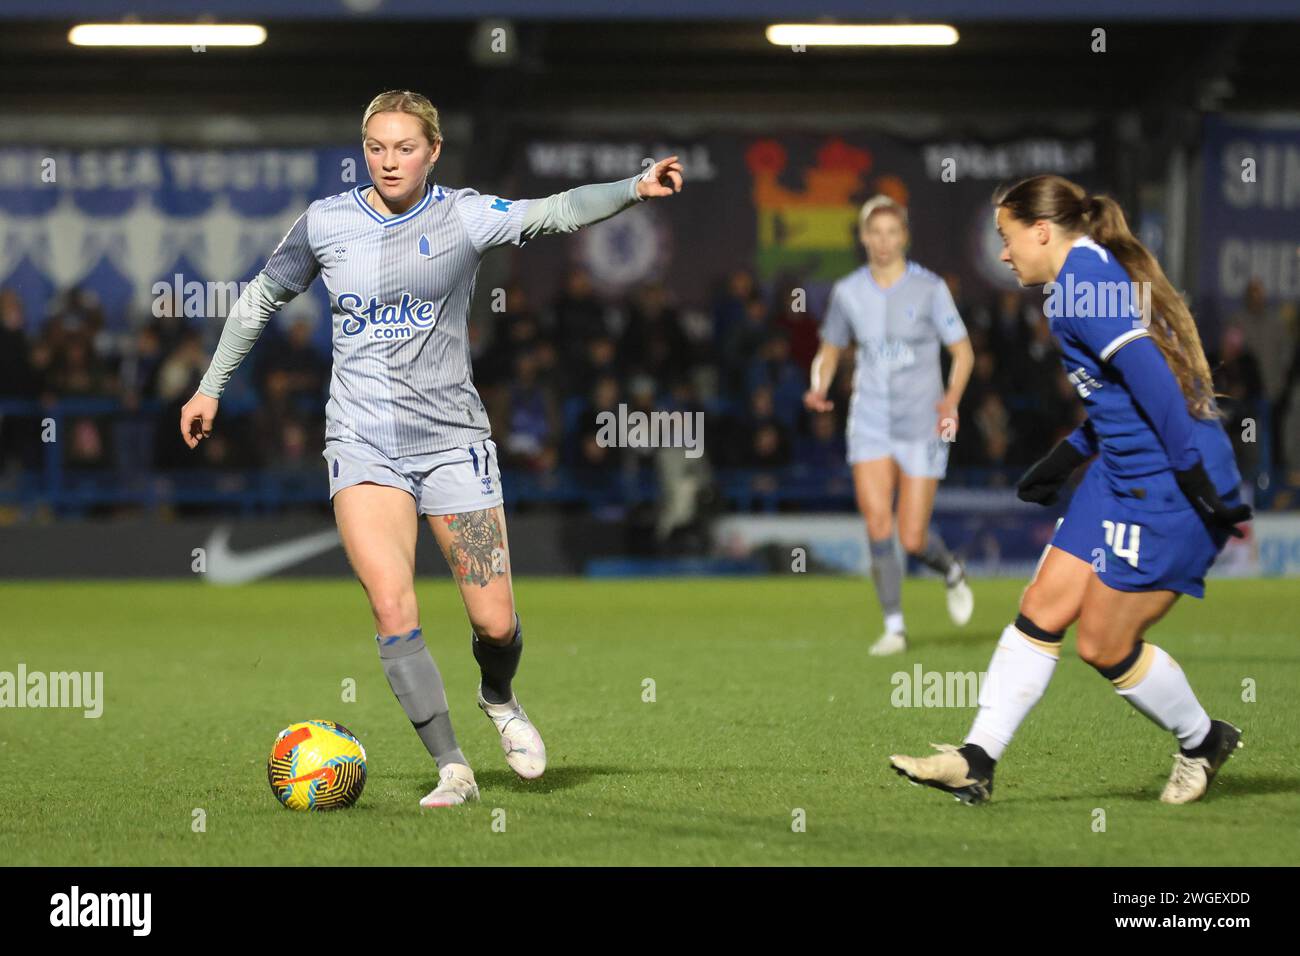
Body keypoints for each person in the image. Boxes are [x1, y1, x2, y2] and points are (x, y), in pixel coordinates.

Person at [180, 89, 683, 809]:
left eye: (405, 148)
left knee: (495, 621)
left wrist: (634, 187)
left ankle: (498, 697)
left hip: (452, 446)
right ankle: (454, 769)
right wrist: (209, 387)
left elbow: (556, 210)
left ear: (434, 151)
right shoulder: (326, 223)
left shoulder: (464, 216)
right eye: (377, 147)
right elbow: (262, 297)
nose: (389, 161)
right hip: (361, 446)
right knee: (392, 604)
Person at [890, 175, 1252, 805]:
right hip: (1120, 472)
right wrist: (1071, 453)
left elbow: (1151, 380)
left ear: (1042, 230)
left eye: (1007, 238)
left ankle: (1203, 740)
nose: (1004, 254)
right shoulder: (1076, 283)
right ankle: (976, 759)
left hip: (1165, 484)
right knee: (1043, 607)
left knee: (1103, 645)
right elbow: (1124, 395)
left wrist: (1192, 470)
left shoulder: (1084, 286)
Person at [803, 195, 975, 656]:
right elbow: (830, 348)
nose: (883, 241)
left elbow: (962, 351)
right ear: (863, 238)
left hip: (922, 422)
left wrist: (951, 401)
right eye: (874, 233)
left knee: (912, 537)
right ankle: (895, 627)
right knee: (878, 524)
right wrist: (818, 384)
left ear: (904, 237)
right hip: (870, 421)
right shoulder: (847, 292)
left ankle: (950, 568)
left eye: (891, 232)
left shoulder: (930, 288)